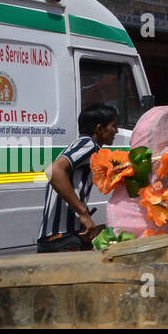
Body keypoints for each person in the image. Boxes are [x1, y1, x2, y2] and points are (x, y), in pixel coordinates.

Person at [37, 105, 117, 253]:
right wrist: (83, 214)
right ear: (99, 128)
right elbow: (53, 171)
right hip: (62, 240)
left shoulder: (80, 145)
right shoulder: (89, 144)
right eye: (114, 126)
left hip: (61, 238)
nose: (116, 131)